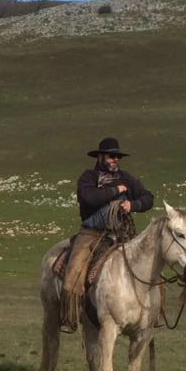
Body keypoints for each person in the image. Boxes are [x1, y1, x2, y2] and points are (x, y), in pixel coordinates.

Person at [58, 136, 154, 333]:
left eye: (117, 157)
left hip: (122, 233)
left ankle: (153, 314)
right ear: (100, 157)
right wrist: (117, 190)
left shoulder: (126, 177)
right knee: (75, 269)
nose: (115, 160)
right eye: (111, 156)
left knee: (150, 264)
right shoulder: (88, 177)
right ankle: (70, 316)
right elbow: (89, 198)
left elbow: (148, 198)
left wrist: (133, 204)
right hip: (91, 232)